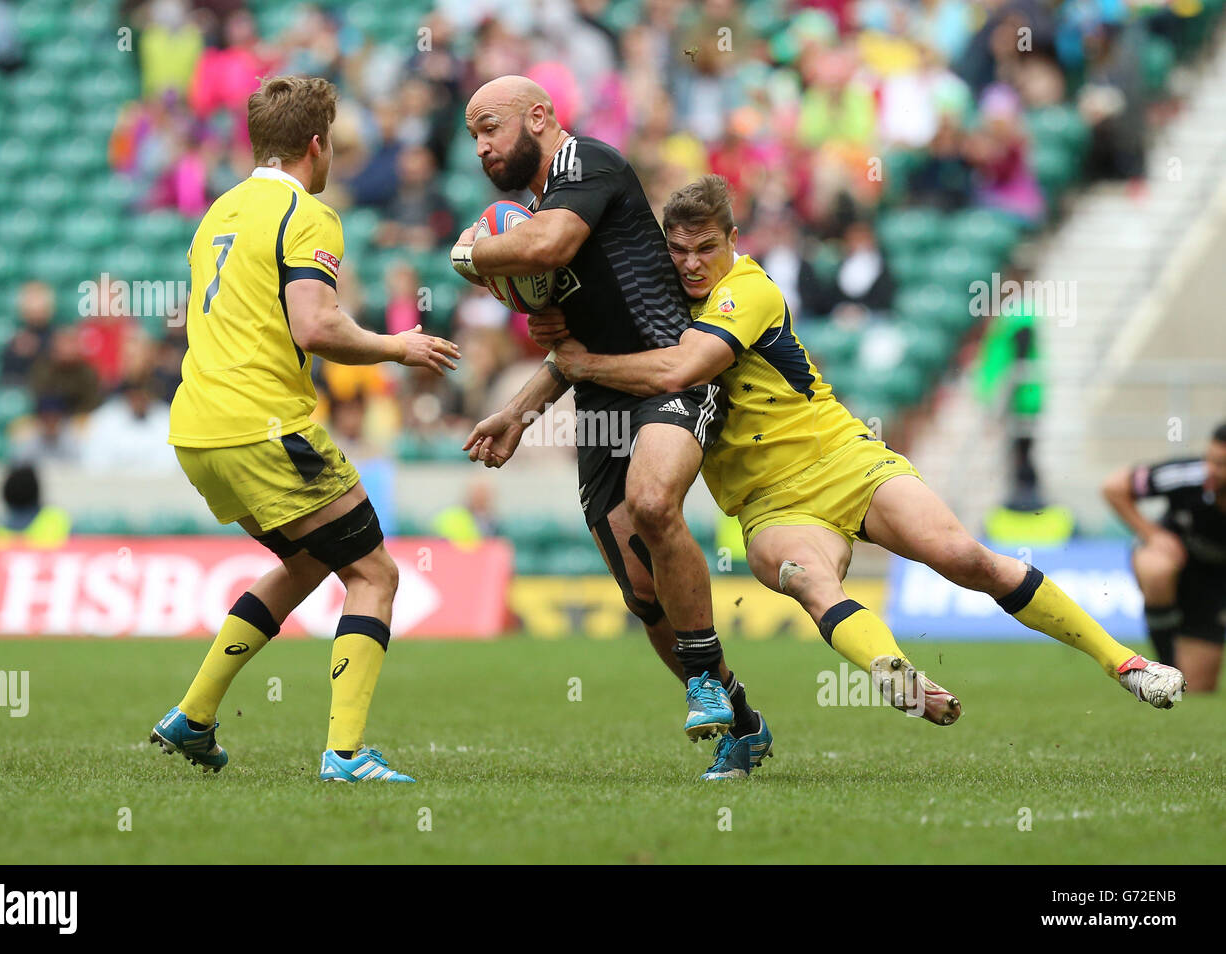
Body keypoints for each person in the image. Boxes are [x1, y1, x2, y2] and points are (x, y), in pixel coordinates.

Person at [552, 174, 1187, 729]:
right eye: (678, 249)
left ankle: (1123, 662)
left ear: (733, 239)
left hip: (842, 460)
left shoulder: (748, 290)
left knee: (965, 557)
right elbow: (574, 346)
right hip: (767, 506)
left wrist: (588, 364)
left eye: (705, 248)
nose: (690, 263)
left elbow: (682, 369)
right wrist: (526, 401)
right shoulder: (658, 299)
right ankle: (896, 673)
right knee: (808, 581)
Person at [452, 76, 771, 780]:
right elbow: (574, 353)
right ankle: (738, 717)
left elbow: (543, 247)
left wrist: (470, 254)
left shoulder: (587, 167)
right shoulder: (541, 211)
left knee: (654, 503)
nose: (481, 145)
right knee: (639, 587)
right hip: (600, 403)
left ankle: (706, 685)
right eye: (473, 134)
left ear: (540, 116)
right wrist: (517, 412)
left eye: (491, 128)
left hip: (671, 377)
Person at [150, 75, 460, 783]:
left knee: (307, 559)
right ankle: (345, 756)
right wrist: (398, 345)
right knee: (375, 574)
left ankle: (193, 718)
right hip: (264, 425)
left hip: (198, 428)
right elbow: (314, 325)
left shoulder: (218, 212)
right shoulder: (307, 213)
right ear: (317, 146)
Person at [1103, 425, 1226, 692]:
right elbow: (1114, 486)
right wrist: (1152, 533)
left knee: (1200, 688)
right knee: (1156, 567)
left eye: (1222, 464)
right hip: (1176, 561)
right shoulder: (1188, 474)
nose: (1212, 470)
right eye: (1211, 460)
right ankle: (1164, 670)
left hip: (1214, 582)